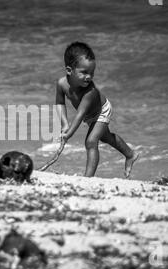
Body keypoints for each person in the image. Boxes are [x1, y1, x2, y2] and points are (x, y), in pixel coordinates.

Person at [55, 41, 139, 178]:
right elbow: (59, 103)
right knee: (106, 137)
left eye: (92, 73)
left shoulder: (90, 92)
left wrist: (68, 134)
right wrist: (64, 124)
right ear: (69, 70)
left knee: (91, 141)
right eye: (84, 72)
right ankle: (130, 154)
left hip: (101, 111)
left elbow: (80, 114)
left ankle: (88, 178)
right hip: (90, 116)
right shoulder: (61, 84)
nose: (89, 77)